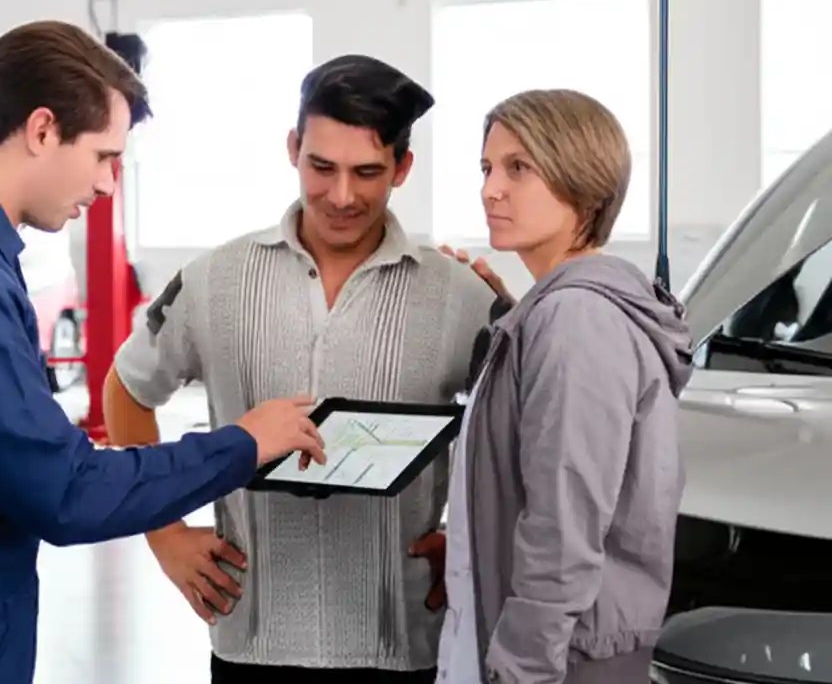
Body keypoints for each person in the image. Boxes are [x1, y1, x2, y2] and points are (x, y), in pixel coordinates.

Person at [0, 20, 328, 684]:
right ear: (43, 129)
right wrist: (242, 445)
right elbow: (64, 490)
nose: (109, 184)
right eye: (104, 155)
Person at [102, 54, 499, 682]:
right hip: (252, 642)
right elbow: (126, 388)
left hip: (401, 647)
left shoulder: (459, 295)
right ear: (293, 148)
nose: (342, 196)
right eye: (322, 167)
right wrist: (165, 535)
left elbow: (531, 431)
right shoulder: (214, 281)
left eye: (367, 172)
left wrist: (481, 547)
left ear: (403, 166)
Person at [436, 89, 693, 684]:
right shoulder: (558, 312)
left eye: (517, 168)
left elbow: (564, 520)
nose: (489, 188)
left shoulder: (575, 319)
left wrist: (522, 669)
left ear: (582, 182)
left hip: (554, 664)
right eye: (486, 167)